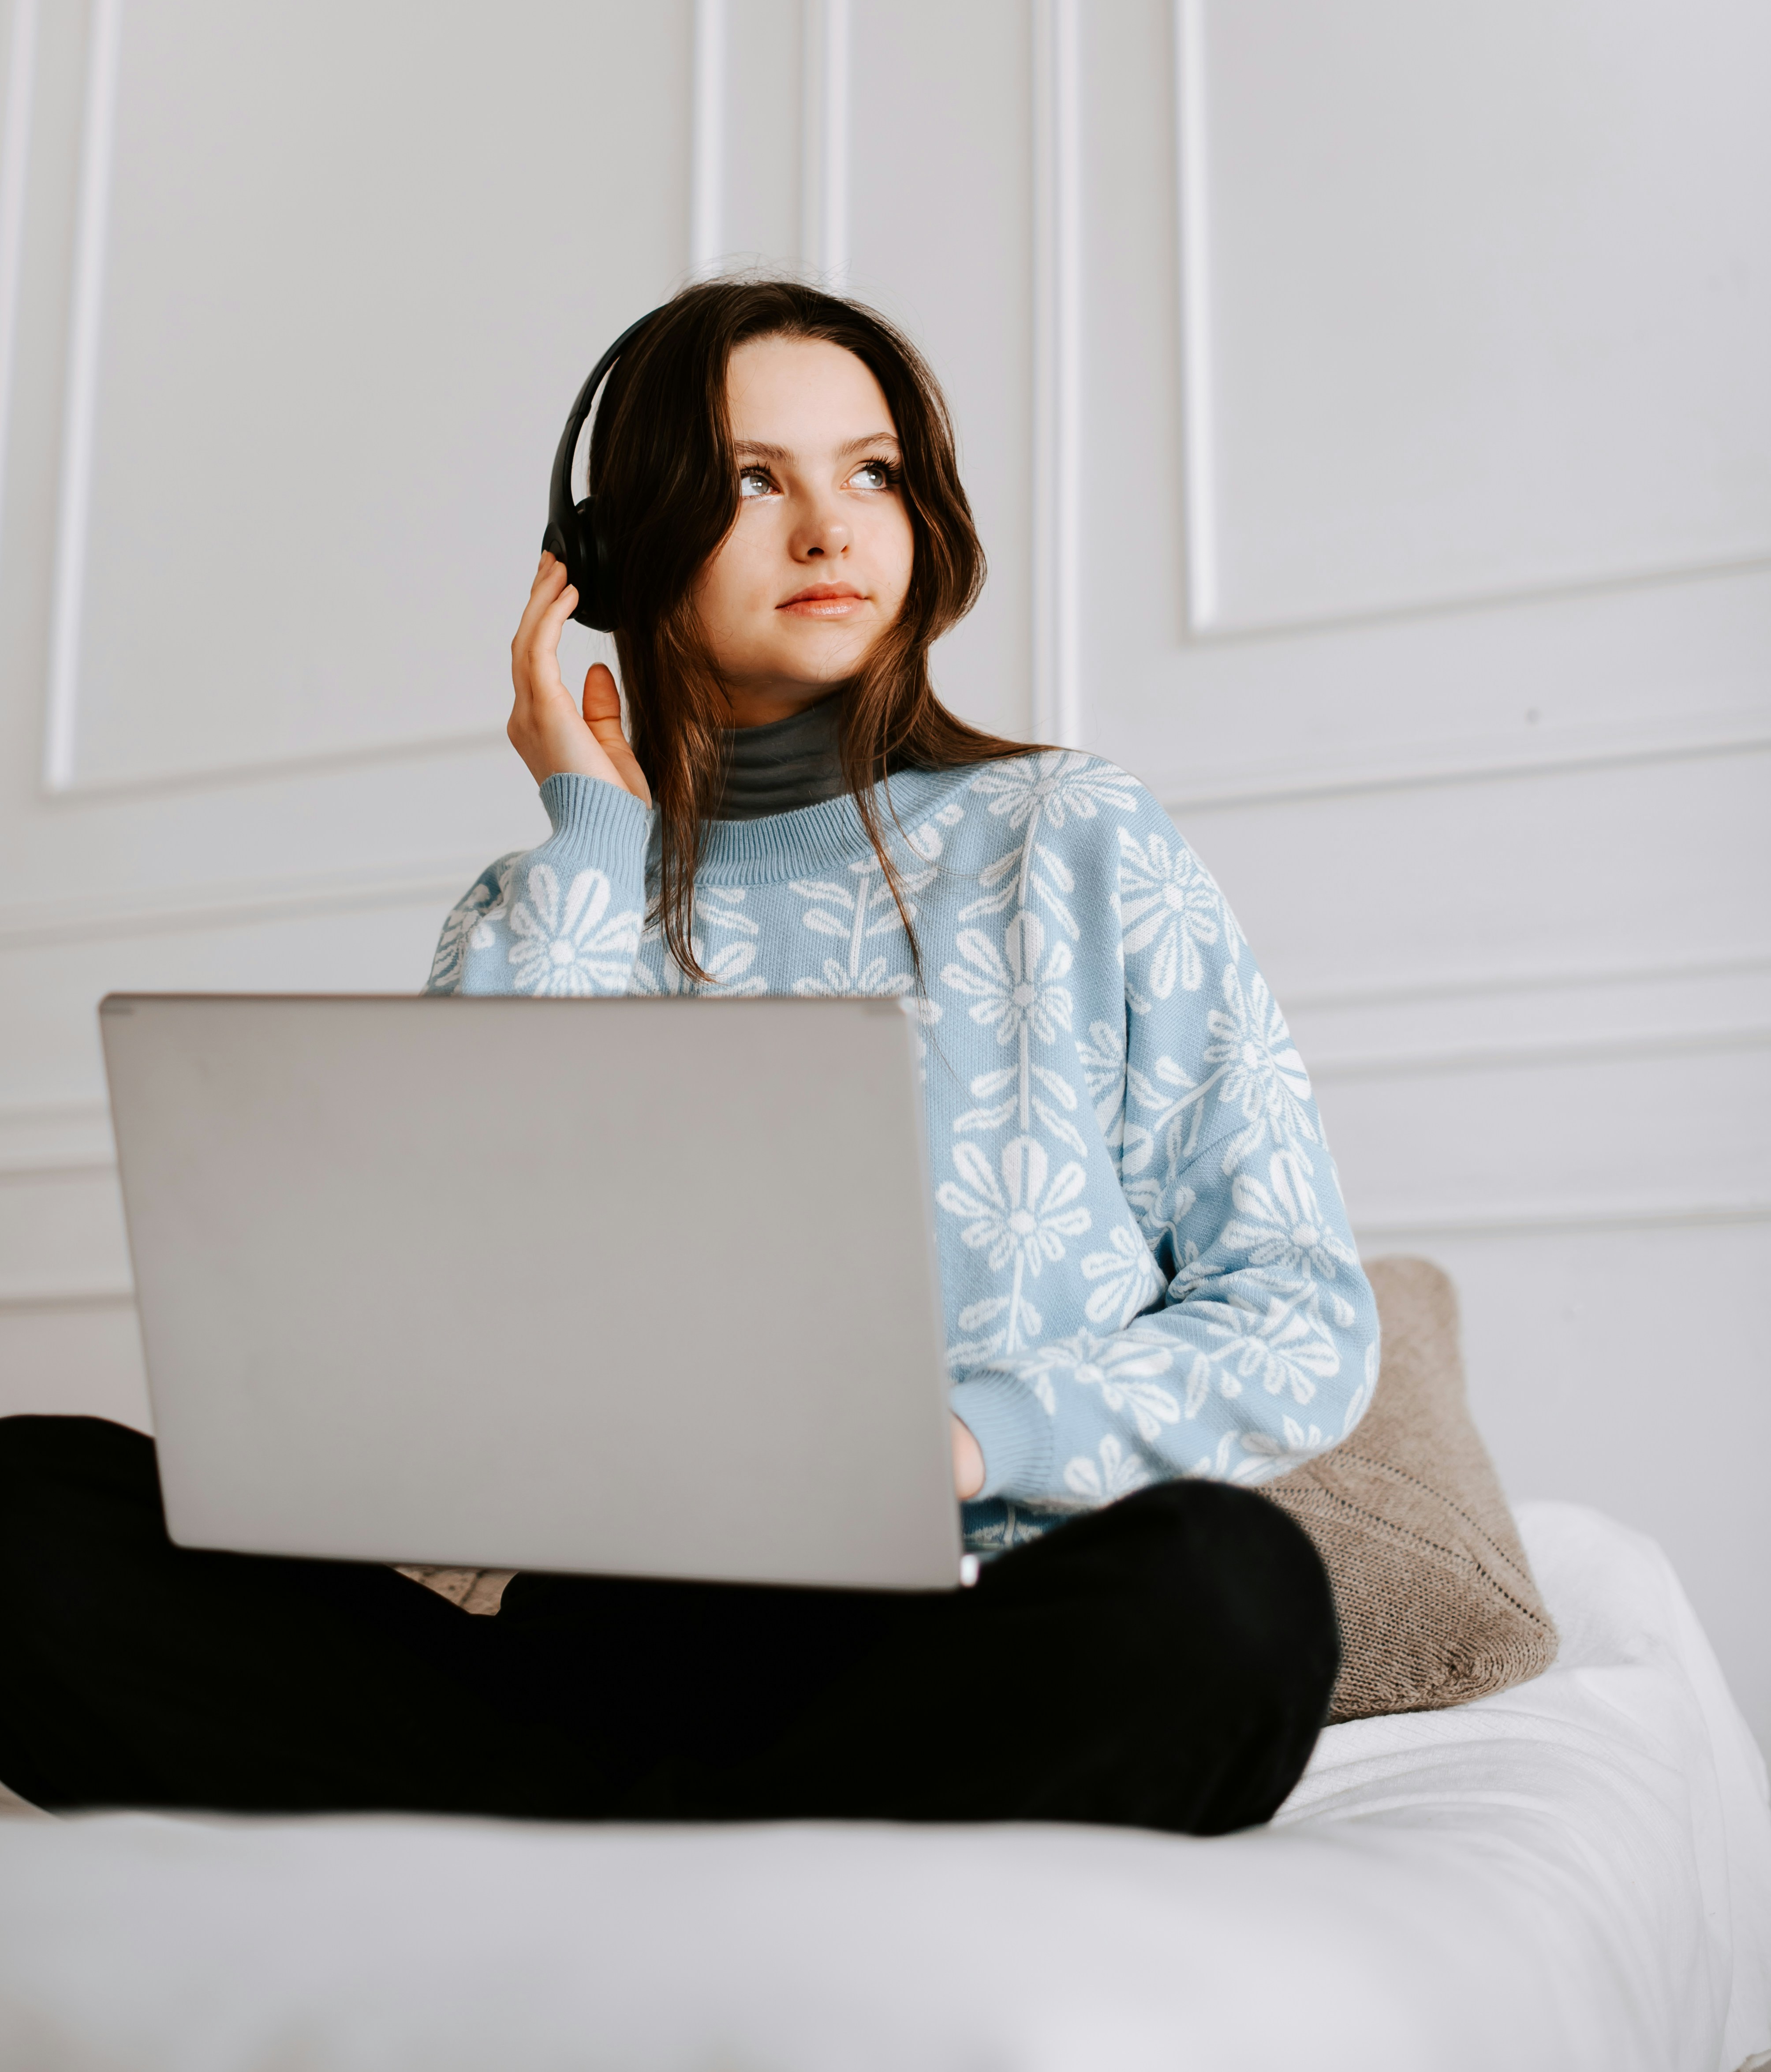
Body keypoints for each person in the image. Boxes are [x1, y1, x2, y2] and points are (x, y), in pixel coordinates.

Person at [0, 277, 1375, 1833]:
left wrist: (962, 1437)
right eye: (749, 481)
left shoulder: (1072, 838)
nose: (830, 530)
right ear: (611, 551)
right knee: (19, 1510)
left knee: (1235, 1596)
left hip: (952, 1641)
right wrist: (591, 832)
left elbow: (1301, 1317)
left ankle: (605, 1837)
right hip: (593, 1660)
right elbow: (451, 1322)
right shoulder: (541, 903)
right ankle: (706, 1825)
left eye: (873, 474)